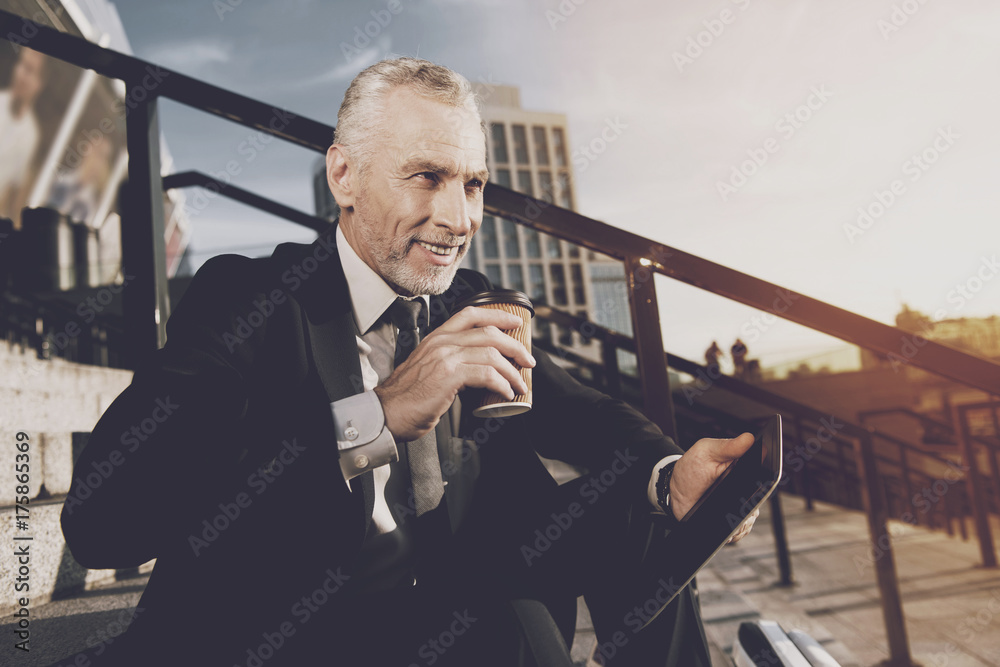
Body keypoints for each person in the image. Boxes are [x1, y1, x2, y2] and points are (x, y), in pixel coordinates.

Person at [59, 58, 757, 667]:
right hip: (298, 625)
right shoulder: (249, 301)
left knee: (650, 512)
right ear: (344, 175)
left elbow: (581, 411)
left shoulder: (470, 300)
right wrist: (377, 416)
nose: (459, 218)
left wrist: (672, 473)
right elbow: (102, 519)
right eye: (427, 176)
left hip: (458, 607)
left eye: (473, 184)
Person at [0, 47, 46, 224]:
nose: (20, 73)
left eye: (29, 69)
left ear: (38, 84)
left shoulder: (31, 136)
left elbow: (11, 189)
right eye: (20, 64)